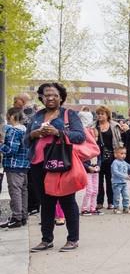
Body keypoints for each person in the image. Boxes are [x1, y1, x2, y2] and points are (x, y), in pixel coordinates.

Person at [27, 82, 86, 252]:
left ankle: (73, 239)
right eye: (46, 95)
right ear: (41, 97)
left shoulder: (69, 114)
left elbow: (79, 136)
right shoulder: (37, 116)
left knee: (67, 201)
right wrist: (33, 134)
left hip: (60, 163)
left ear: (61, 97)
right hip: (38, 164)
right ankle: (46, 240)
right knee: (45, 203)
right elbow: (26, 140)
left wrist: (57, 132)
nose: (50, 98)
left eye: (54, 95)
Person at [1, 107, 30, 228]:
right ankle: (23, 216)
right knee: (23, 191)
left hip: (14, 165)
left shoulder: (14, 131)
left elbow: (11, 150)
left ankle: (16, 217)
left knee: (15, 191)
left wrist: (1, 145)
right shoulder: (25, 130)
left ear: (12, 117)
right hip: (24, 165)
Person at [92, 106, 122, 210]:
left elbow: (119, 140)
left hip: (111, 157)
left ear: (107, 115)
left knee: (110, 180)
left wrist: (119, 155)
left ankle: (111, 202)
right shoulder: (92, 126)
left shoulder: (114, 126)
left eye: (102, 114)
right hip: (96, 157)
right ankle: (99, 202)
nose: (100, 116)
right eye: (98, 114)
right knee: (98, 181)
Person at [110, 146, 130, 213]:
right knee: (117, 197)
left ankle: (126, 208)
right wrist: (125, 176)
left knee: (126, 196)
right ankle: (116, 208)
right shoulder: (115, 162)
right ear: (115, 154)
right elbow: (116, 172)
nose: (123, 155)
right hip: (116, 183)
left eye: (125, 153)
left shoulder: (124, 162)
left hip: (124, 183)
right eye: (121, 153)